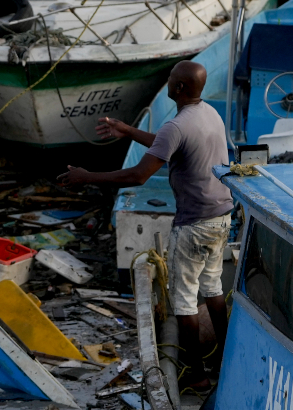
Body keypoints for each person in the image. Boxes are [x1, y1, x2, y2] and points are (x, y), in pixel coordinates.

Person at [58, 62, 233, 382]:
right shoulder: (208, 113)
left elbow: (138, 175)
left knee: (183, 301)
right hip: (221, 217)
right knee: (213, 288)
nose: (167, 81)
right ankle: (226, 360)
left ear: (178, 88)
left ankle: (196, 374)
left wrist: (86, 177)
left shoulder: (176, 125)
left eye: (171, 79)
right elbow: (169, 144)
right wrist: (128, 131)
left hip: (193, 224)